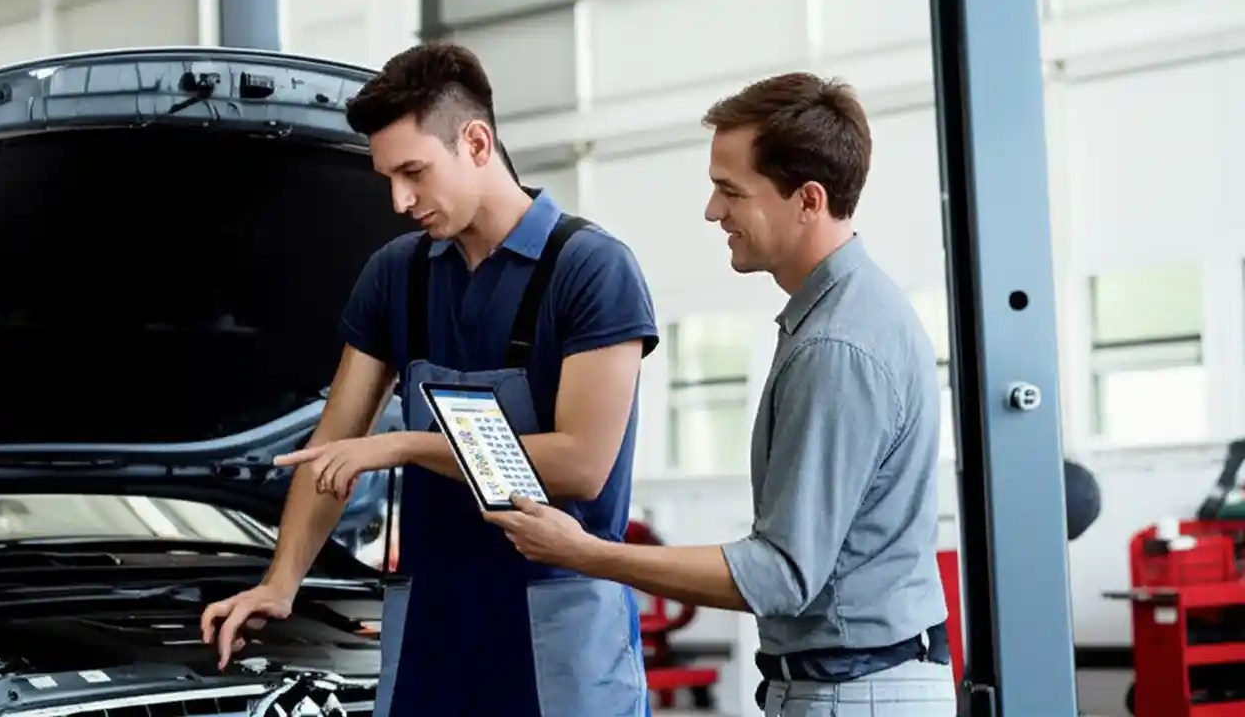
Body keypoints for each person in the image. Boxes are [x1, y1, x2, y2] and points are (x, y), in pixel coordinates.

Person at [199, 42, 659, 717]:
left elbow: (580, 465)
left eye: (413, 171)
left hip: (561, 634)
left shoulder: (592, 271)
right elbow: (335, 447)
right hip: (434, 636)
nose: (399, 199)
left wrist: (405, 446)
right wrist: (281, 581)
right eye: (387, 177)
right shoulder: (397, 275)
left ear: (475, 142)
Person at [485, 72, 957, 716]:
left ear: (808, 199)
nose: (713, 212)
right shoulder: (839, 317)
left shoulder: (839, 347)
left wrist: (587, 553)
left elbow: (782, 575)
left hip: (855, 694)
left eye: (731, 190)